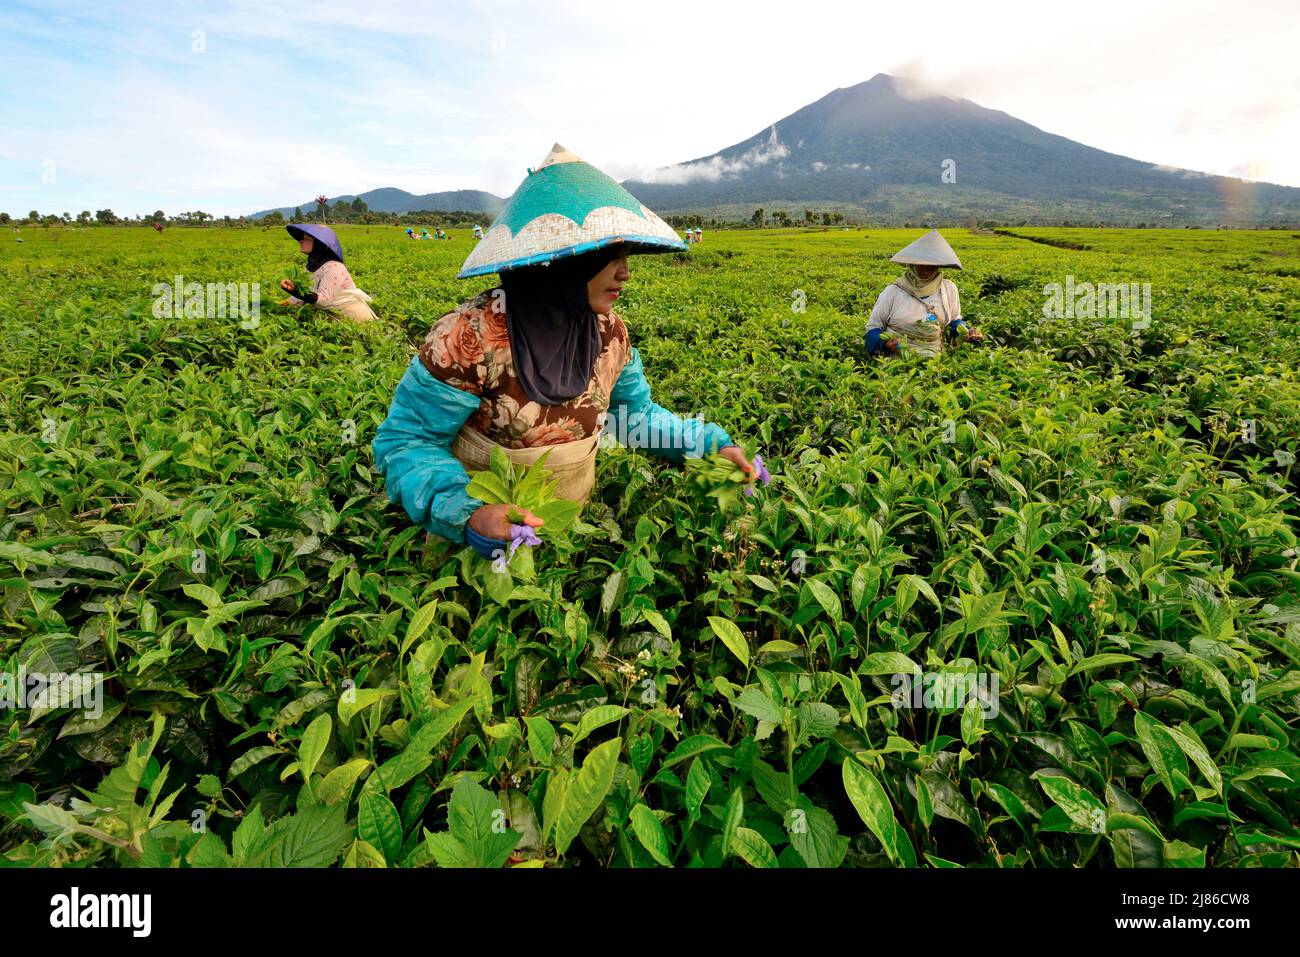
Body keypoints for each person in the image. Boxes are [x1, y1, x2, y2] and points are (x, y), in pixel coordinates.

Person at [373, 143, 756, 559]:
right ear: (563, 263)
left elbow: (632, 417)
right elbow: (407, 441)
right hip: (477, 548)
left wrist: (708, 445)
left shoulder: (609, 333)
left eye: (626, 257)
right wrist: (467, 513)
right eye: (610, 257)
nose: (625, 273)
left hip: (566, 538)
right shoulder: (468, 336)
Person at [864, 229, 983, 358]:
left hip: (935, 363)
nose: (927, 269)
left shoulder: (949, 289)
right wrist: (885, 343)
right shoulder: (893, 292)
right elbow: (873, 327)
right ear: (912, 264)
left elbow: (954, 321)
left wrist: (967, 331)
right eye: (922, 264)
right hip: (898, 362)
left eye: (933, 265)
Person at [278, 224, 378, 323]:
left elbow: (323, 301)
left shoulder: (334, 267)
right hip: (334, 319)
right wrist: (279, 304)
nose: (301, 241)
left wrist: (295, 291)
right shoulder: (312, 267)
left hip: (354, 319)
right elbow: (300, 298)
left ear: (319, 244)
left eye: (307, 239)